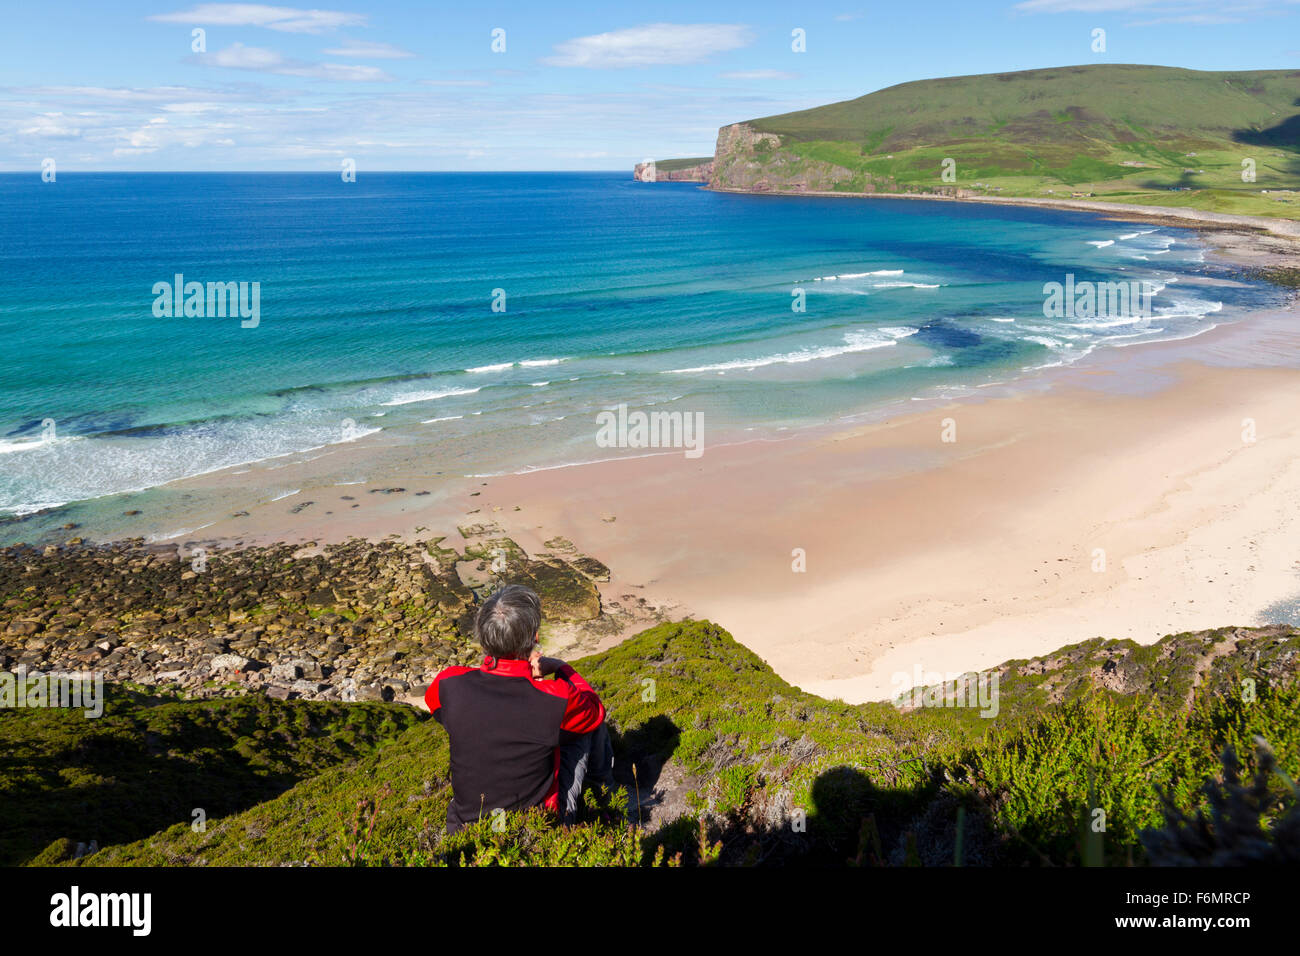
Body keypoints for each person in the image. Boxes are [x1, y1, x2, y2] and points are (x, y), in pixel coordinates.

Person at [425, 583, 615, 833]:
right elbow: (594, 711)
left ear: (483, 636)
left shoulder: (448, 683)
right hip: (536, 827)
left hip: (464, 830)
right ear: (534, 637)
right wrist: (560, 668)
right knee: (585, 728)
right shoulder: (555, 699)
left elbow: (440, 708)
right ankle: (607, 795)